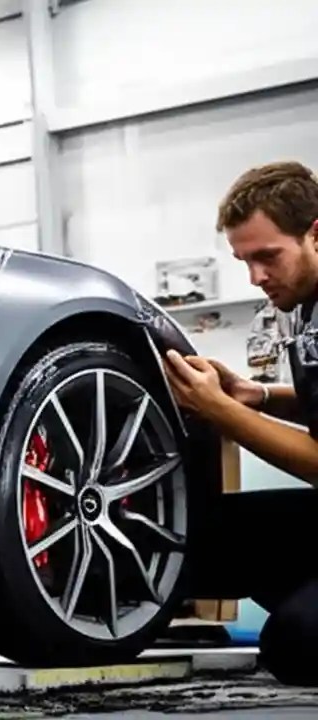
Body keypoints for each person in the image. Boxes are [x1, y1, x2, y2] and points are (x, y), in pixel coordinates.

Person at [163, 160, 318, 686]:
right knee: (191, 540)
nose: (256, 278)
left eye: (267, 257)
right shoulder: (304, 304)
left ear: (316, 233)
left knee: (295, 645)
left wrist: (222, 412)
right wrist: (258, 396)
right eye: (244, 261)